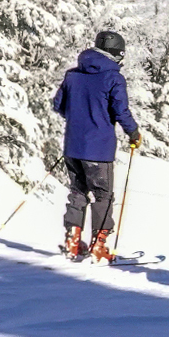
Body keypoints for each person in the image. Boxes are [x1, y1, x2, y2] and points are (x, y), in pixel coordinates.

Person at [52, 30, 141, 262]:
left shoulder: (72, 75)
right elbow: (121, 111)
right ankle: (98, 246)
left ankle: (72, 241)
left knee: (77, 192)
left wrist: (79, 119)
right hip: (99, 149)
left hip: (73, 146)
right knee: (103, 196)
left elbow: (58, 105)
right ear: (116, 54)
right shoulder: (114, 79)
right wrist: (134, 133)